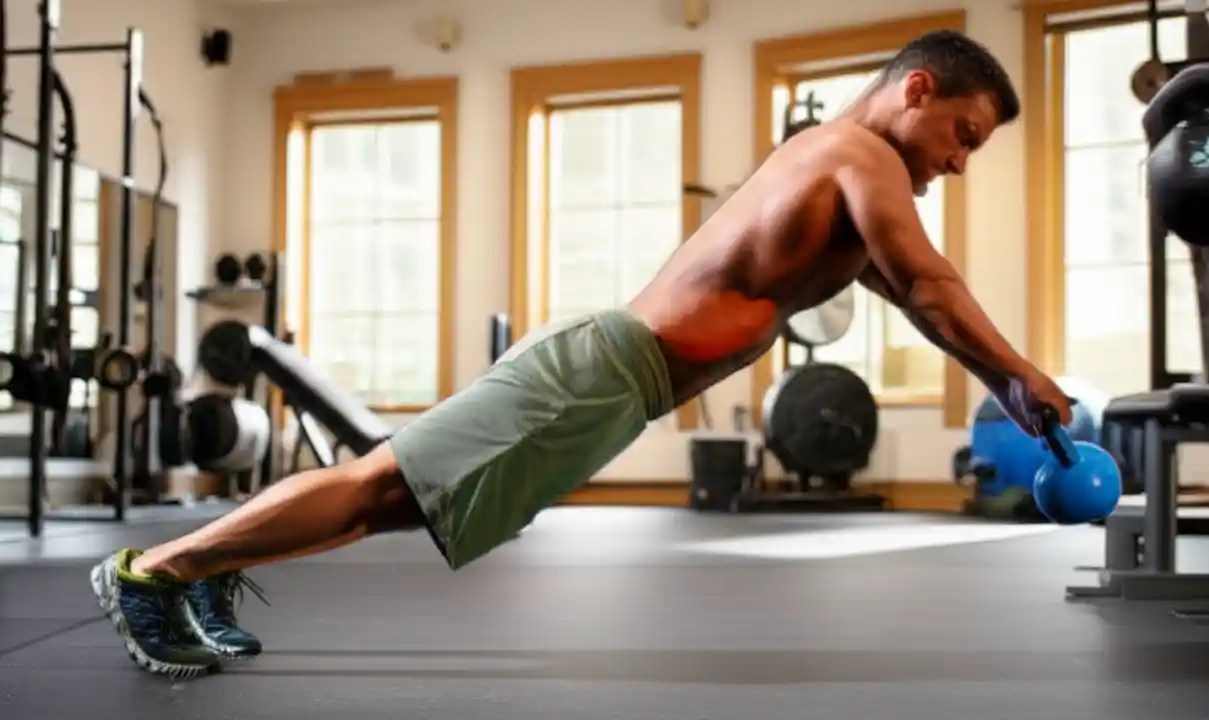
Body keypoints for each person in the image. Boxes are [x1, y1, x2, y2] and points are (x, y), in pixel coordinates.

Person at [90, 29, 1073, 679]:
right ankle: (158, 569)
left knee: (398, 505)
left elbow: (904, 294)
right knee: (379, 484)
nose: (955, 160)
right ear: (915, 89)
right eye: (962, 135)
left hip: (611, 392)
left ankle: (198, 571)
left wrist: (1001, 383)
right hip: (599, 372)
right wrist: (1021, 372)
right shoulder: (858, 159)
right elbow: (932, 286)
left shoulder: (834, 169)